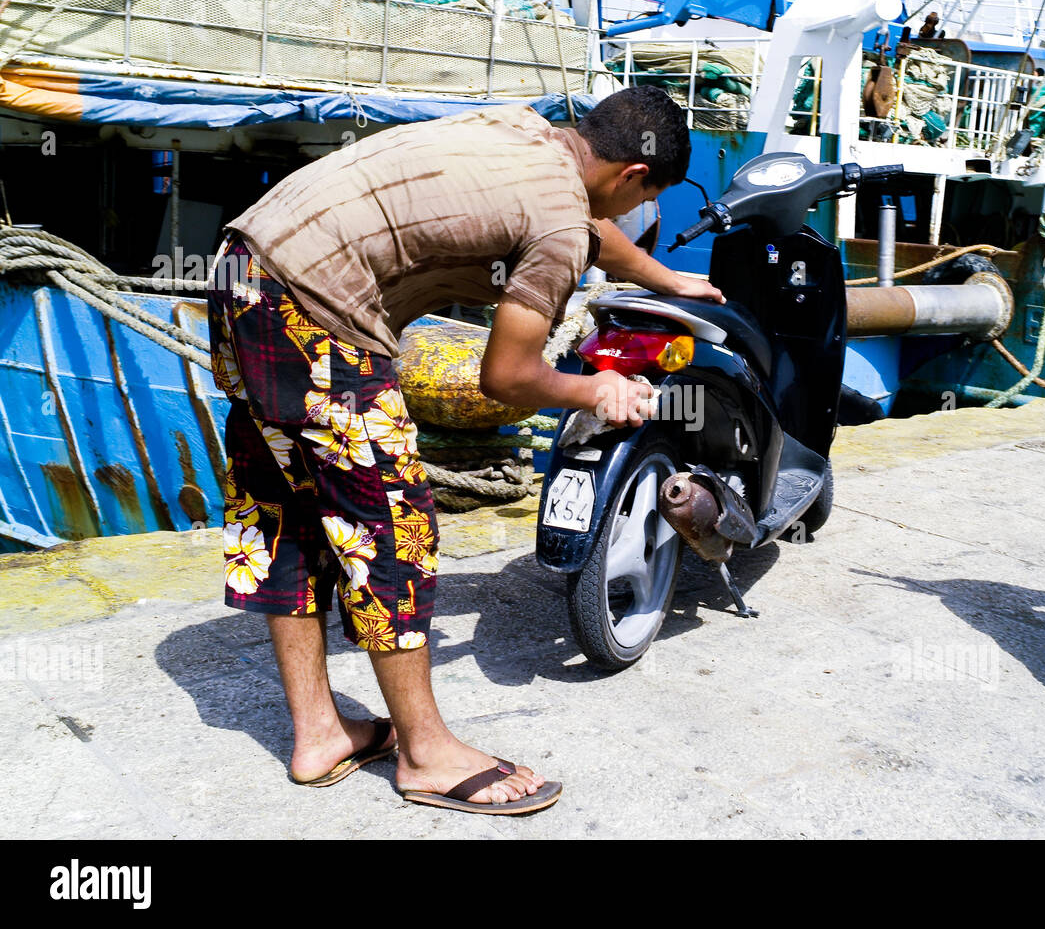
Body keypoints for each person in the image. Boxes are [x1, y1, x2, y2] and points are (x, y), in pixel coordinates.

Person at [207, 86, 721, 814]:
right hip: (313, 310)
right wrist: (596, 390)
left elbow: (590, 222)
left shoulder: (526, 131)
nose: (625, 218)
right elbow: (507, 376)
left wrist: (664, 277)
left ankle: (320, 734)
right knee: (392, 526)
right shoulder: (559, 231)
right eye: (642, 199)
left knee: (290, 509)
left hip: (243, 267)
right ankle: (425, 754)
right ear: (635, 178)